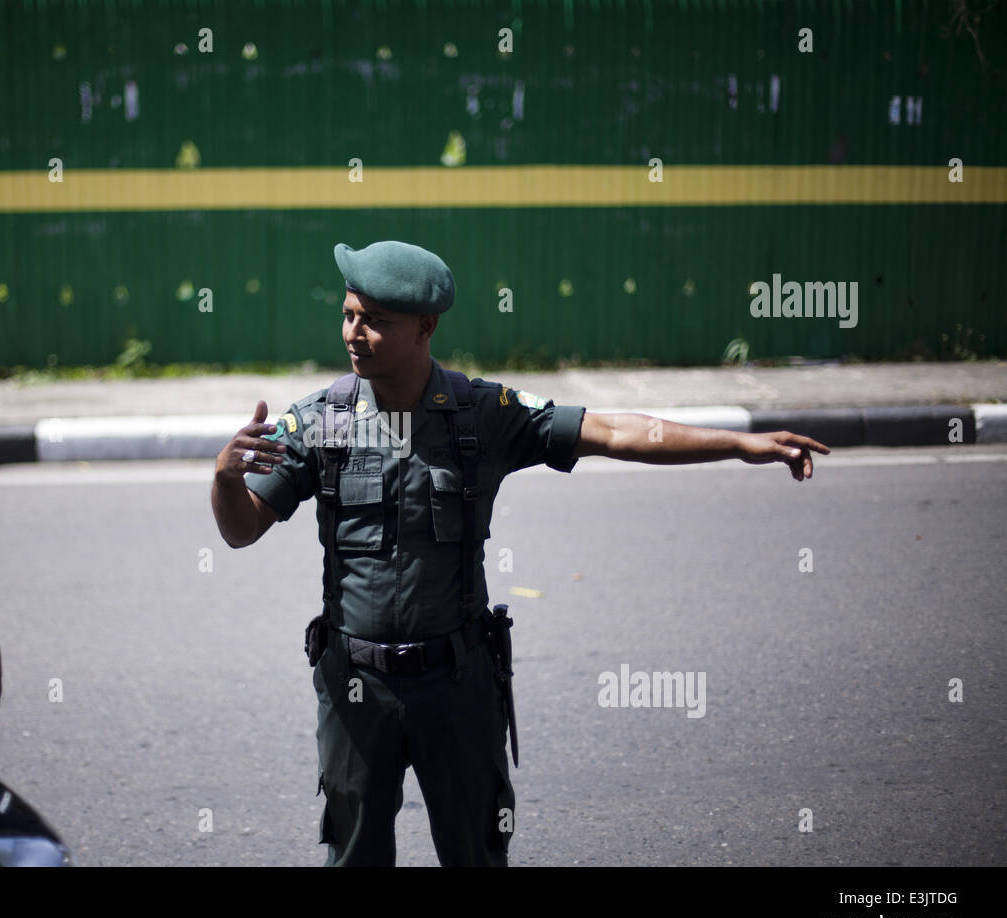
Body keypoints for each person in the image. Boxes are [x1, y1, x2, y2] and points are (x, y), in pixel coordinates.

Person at [210, 240, 829, 866]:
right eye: (348, 315)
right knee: (355, 858)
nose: (354, 333)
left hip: (455, 684)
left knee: (477, 853)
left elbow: (614, 432)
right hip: (355, 688)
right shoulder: (320, 422)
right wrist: (226, 478)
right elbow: (241, 530)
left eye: (375, 321)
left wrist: (741, 444)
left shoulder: (481, 415)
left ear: (426, 327)